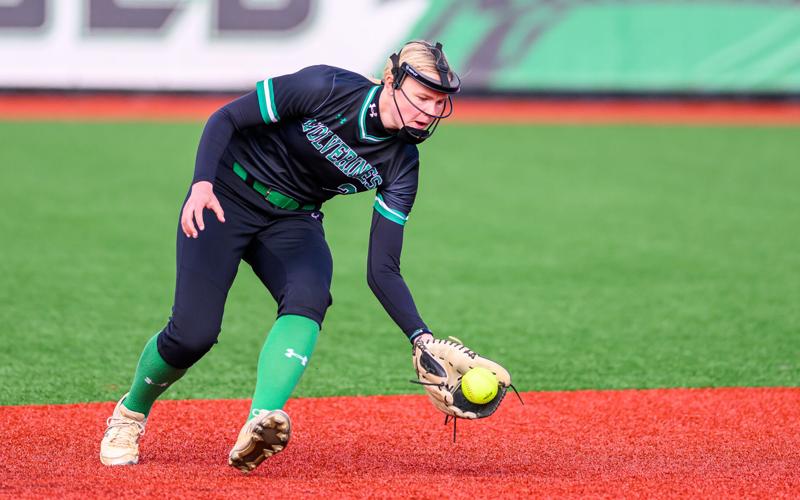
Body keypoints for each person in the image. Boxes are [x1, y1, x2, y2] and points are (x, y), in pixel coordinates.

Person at [100, 40, 462, 472]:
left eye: (440, 103)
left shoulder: (403, 163)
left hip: (293, 221)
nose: (430, 111)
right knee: (192, 335)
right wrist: (201, 184)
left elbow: (382, 269)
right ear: (392, 80)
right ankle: (130, 415)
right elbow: (227, 117)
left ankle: (259, 423)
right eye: (422, 97)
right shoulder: (324, 86)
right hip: (225, 197)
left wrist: (421, 337)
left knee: (310, 294)